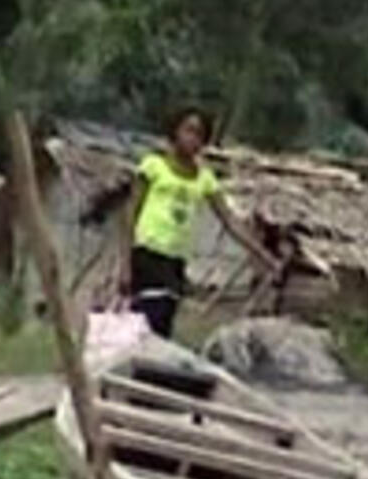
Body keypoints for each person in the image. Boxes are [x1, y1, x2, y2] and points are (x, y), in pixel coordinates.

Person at [119, 107, 280, 339]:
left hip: (176, 259)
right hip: (148, 252)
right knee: (149, 314)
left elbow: (230, 221)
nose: (193, 139)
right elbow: (129, 214)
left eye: (199, 135)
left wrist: (263, 255)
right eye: (188, 131)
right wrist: (124, 264)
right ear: (175, 131)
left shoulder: (205, 179)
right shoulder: (153, 166)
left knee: (164, 322)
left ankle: (149, 370)